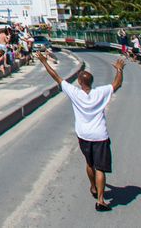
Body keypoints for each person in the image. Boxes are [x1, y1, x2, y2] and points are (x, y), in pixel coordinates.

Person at [37, 53, 125, 211]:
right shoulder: (100, 93)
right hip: (100, 135)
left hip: (84, 135)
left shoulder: (74, 93)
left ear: (79, 82)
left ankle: (93, 187)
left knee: (89, 164)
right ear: (91, 82)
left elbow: (56, 76)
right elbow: (117, 84)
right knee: (101, 168)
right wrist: (119, 70)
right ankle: (100, 200)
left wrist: (44, 62)